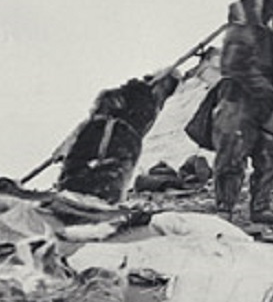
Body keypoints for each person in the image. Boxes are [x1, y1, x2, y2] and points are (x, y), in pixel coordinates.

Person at [210, 0, 273, 225]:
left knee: (271, 155)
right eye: (269, 8)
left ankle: (260, 207)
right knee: (231, 154)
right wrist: (264, 87)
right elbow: (234, 66)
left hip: (265, 104)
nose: (272, 14)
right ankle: (224, 209)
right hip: (237, 100)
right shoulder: (238, 33)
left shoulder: (270, 37)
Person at [55, 69, 181, 203]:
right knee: (103, 171)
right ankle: (80, 194)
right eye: (165, 86)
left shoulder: (150, 105)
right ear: (158, 82)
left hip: (121, 138)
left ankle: (92, 197)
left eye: (169, 89)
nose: (164, 92)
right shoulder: (135, 94)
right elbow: (107, 102)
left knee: (110, 176)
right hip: (113, 135)